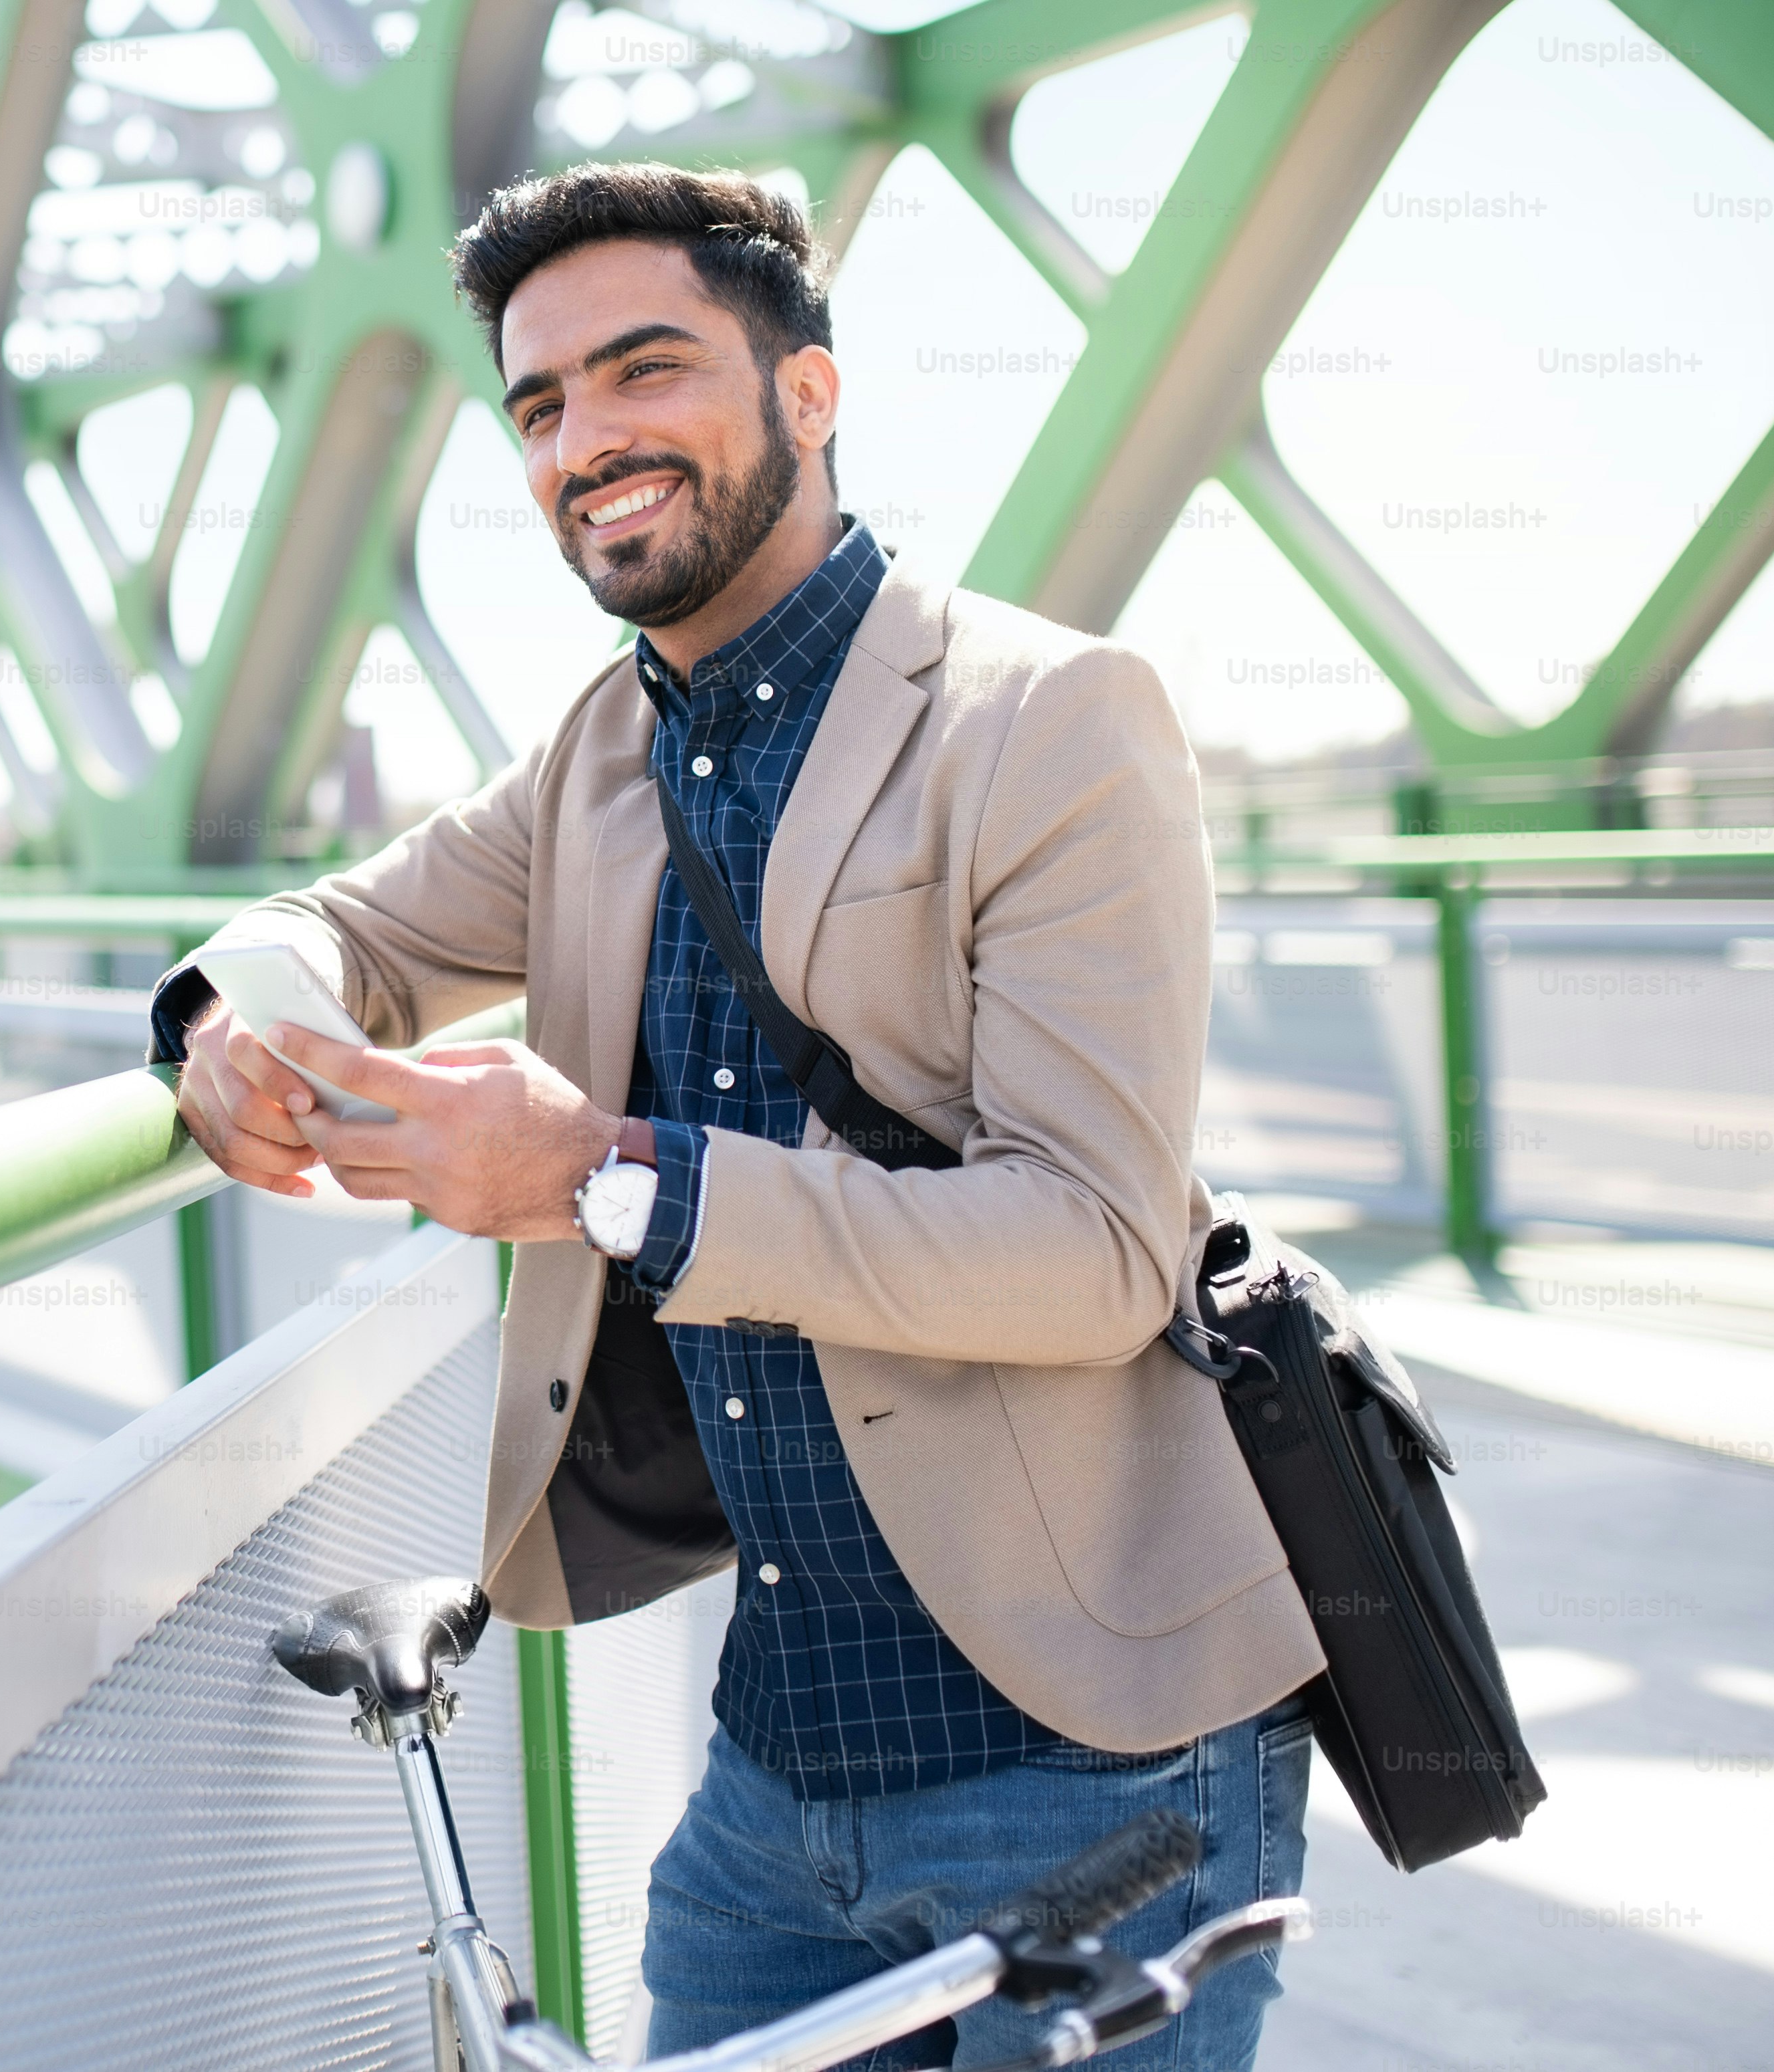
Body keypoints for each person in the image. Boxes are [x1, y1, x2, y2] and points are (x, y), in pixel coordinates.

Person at [153, 164, 1317, 2069]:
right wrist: (221, 1017)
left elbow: (1097, 1246)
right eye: (539, 407)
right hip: (777, 1782)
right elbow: (341, 927)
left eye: (642, 370)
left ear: (808, 391)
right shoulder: (600, 755)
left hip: (1102, 1755)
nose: (584, 441)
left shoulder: (1047, 716)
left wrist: (605, 1179)